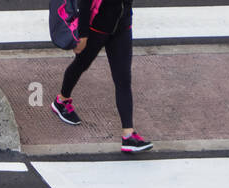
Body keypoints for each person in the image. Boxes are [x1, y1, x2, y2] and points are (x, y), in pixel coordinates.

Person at [50, 0, 152, 153]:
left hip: (122, 26)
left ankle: (128, 135)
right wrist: (82, 35)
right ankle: (61, 101)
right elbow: (84, 3)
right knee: (80, 65)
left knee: (123, 79)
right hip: (96, 28)